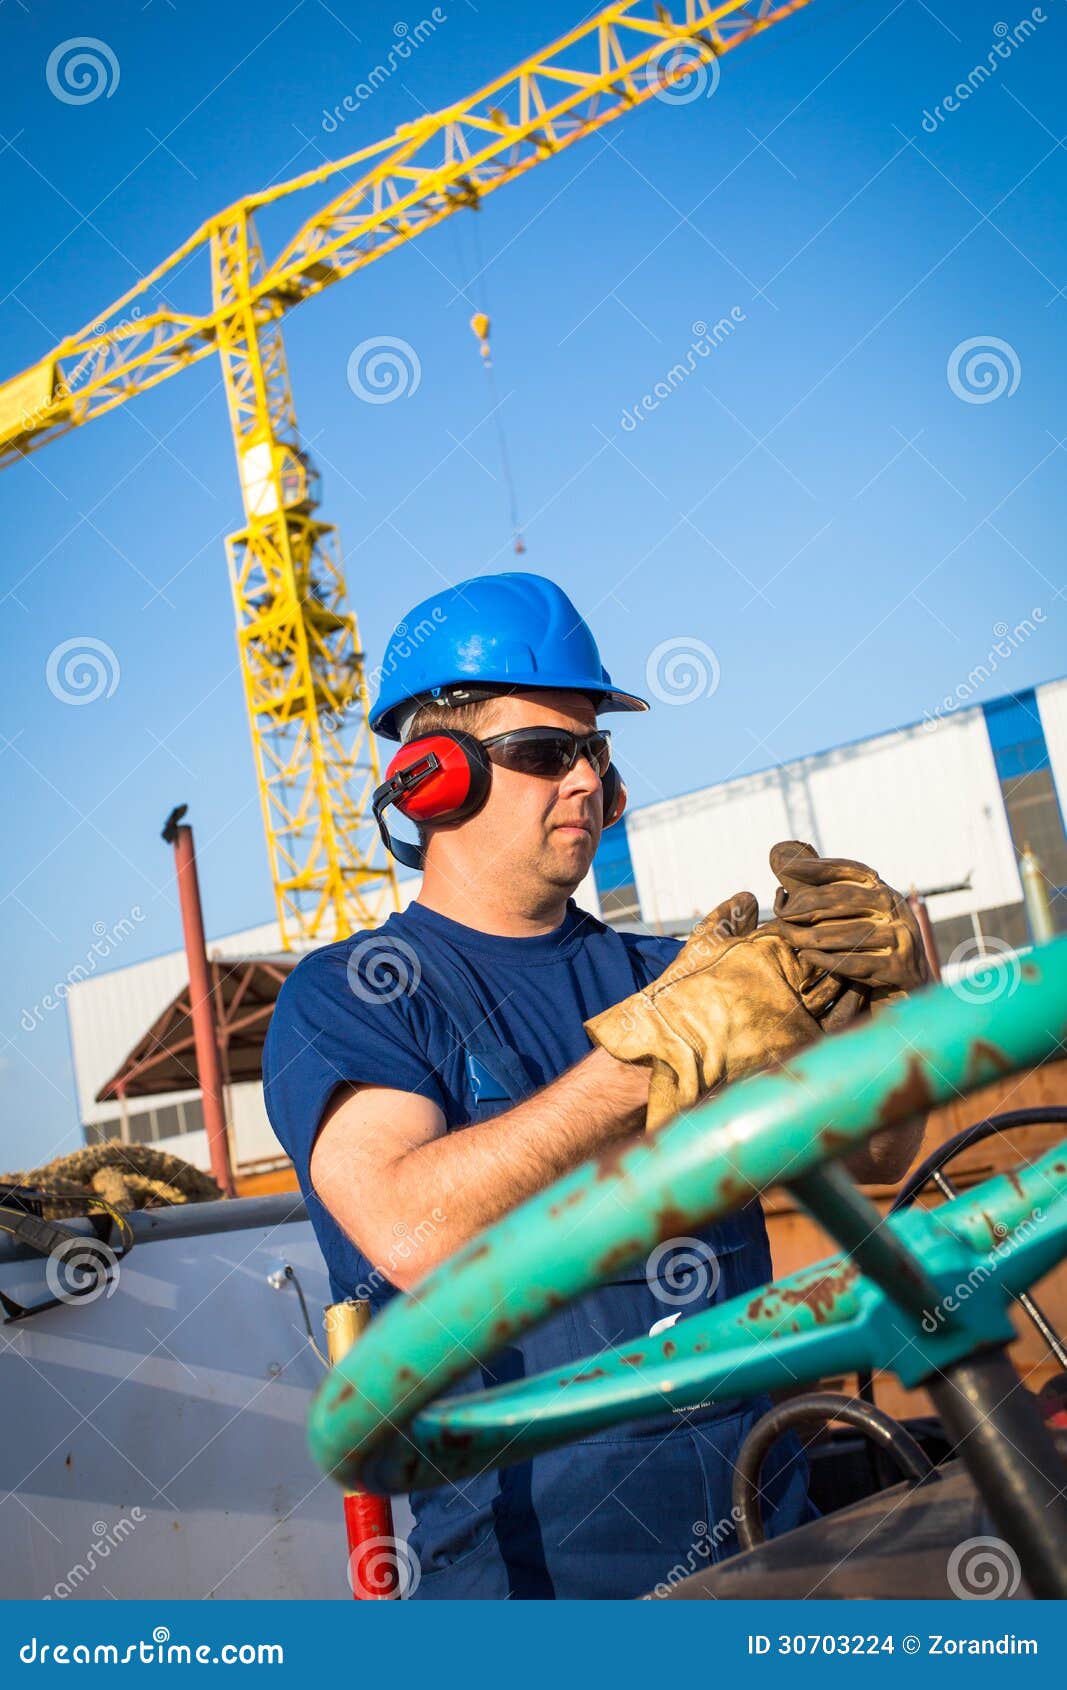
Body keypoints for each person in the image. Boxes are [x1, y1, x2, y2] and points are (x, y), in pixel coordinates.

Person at [262, 570, 929, 1600]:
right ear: (433, 776)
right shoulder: (359, 996)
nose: (583, 780)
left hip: (773, 1545)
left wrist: (889, 1016)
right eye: (542, 752)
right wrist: (641, 1064)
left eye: (594, 751)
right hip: (532, 1588)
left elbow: (877, 1155)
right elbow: (403, 1224)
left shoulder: (685, 975)